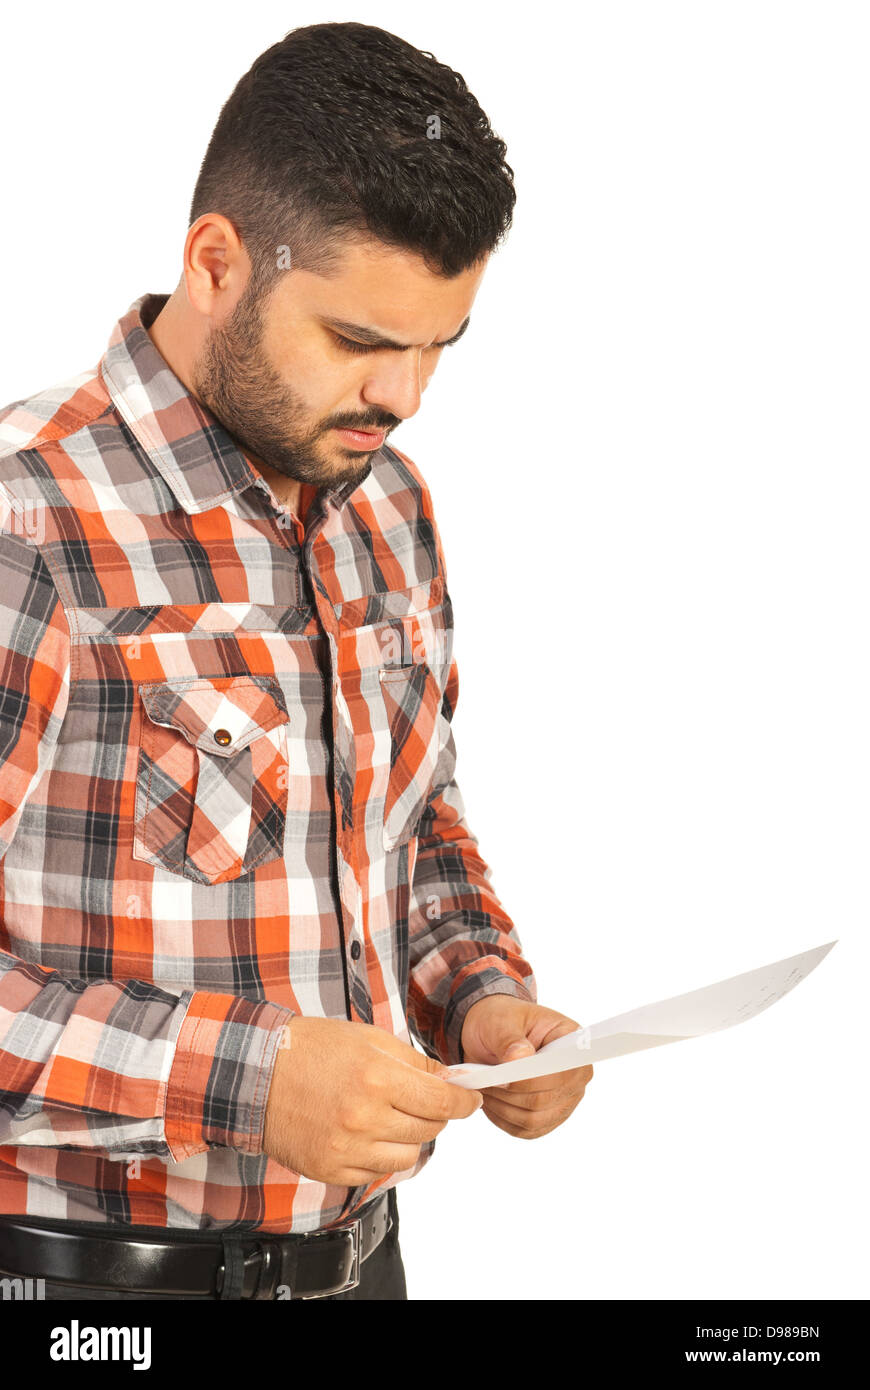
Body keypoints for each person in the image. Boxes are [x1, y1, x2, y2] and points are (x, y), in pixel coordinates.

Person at [0, 21, 592, 1301]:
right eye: (361, 340)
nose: (408, 395)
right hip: (93, 1294)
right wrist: (247, 1080)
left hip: (362, 1268)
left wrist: (483, 998)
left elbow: (413, 820)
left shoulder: (390, 505)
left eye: (442, 345)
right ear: (216, 261)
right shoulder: (26, 525)